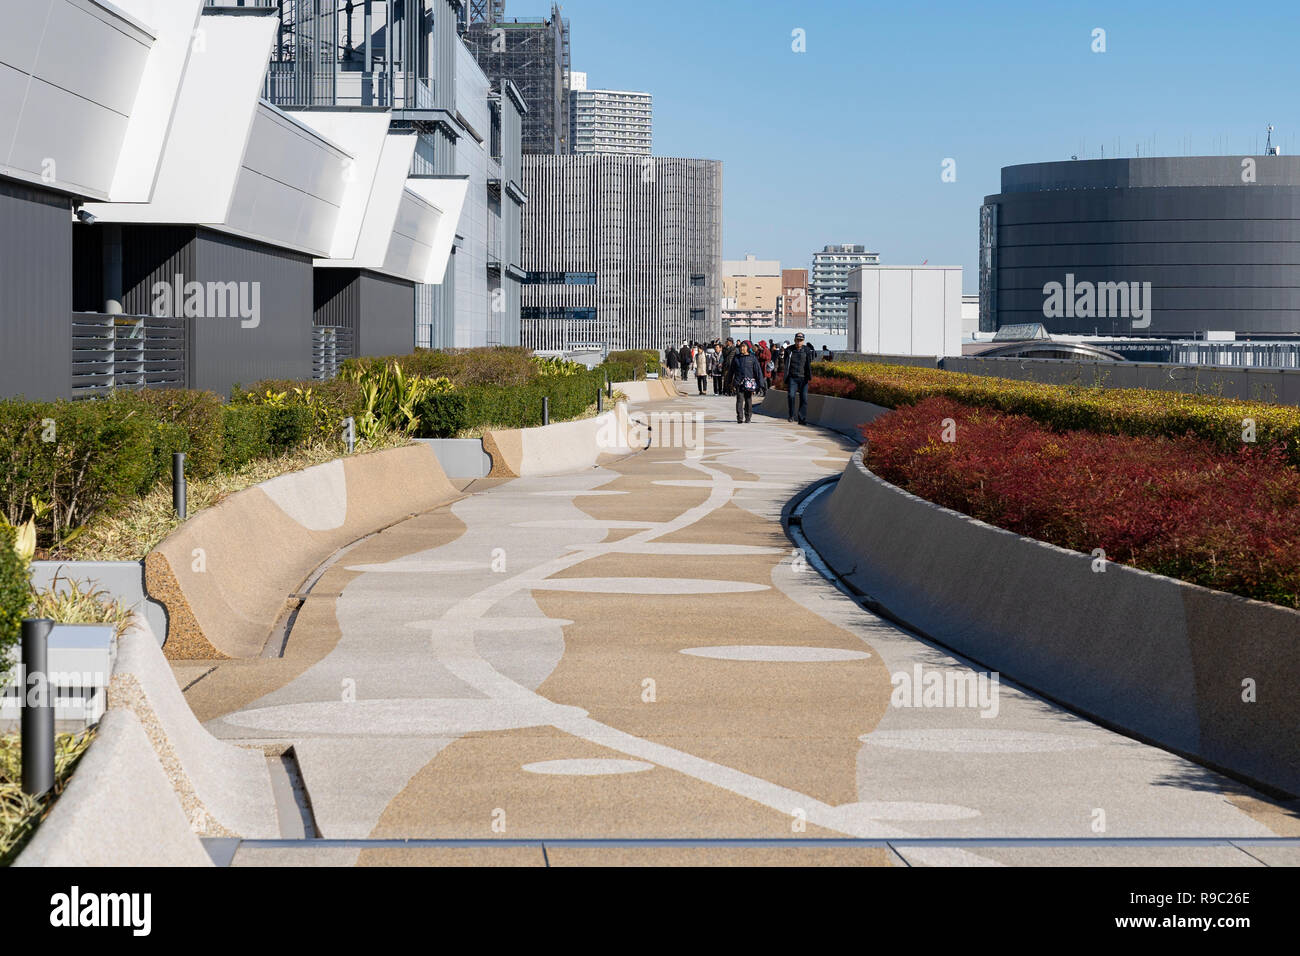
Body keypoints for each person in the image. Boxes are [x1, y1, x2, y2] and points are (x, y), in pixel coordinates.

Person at [783, 331, 817, 425]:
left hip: (804, 378)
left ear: (803, 341)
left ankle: (802, 418)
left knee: (804, 399)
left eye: (801, 340)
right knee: (791, 395)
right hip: (792, 378)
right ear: (794, 340)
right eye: (797, 340)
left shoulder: (807, 350)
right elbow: (785, 362)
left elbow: (811, 360)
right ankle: (791, 415)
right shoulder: (789, 350)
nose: (799, 342)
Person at [728, 340, 766, 424]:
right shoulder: (736, 357)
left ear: (748, 348)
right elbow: (731, 371)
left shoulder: (753, 358)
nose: (742, 348)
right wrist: (729, 382)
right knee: (739, 400)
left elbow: (758, 371)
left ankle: (748, 417)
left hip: (749, 383)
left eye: (744, 346)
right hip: (739, 382)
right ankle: (740, 417)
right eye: (741, 346)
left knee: (748, 400)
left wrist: (761, 384)